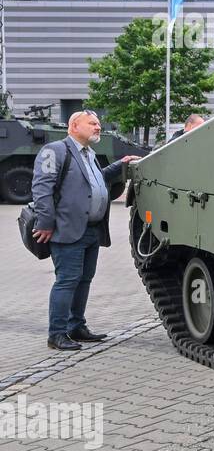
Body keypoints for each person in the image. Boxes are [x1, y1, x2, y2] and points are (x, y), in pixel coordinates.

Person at [30, 111, 142, 351]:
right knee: (67, 281)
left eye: (99, 124)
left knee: (84, 280)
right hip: (67, 229)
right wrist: (46, 223)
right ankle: (56, 334)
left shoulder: (88, 154)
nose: (97, 127)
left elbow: (95, 180)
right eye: (92, 123)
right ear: (74, 125)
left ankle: (76, 326)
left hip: (91, 230)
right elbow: (42, 189)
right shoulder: (54, 151)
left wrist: (120, 166)